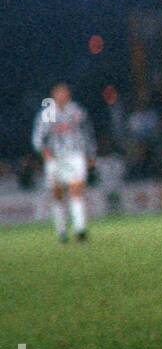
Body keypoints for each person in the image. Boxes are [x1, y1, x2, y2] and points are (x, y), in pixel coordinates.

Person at [32, 83, 96, 242]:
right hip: (55, 157)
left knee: (76, 189)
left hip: (75, 155)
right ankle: (61, 230)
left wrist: (91, 154)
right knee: (58, 193)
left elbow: (87, 133)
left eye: (64, 92)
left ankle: (80, 229)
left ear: (68, 94)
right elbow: (38, 137)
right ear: (53, 95)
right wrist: (44, 152)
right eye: (58, 93)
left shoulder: (77, 111)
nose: (62, 96)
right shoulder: (48, 113)